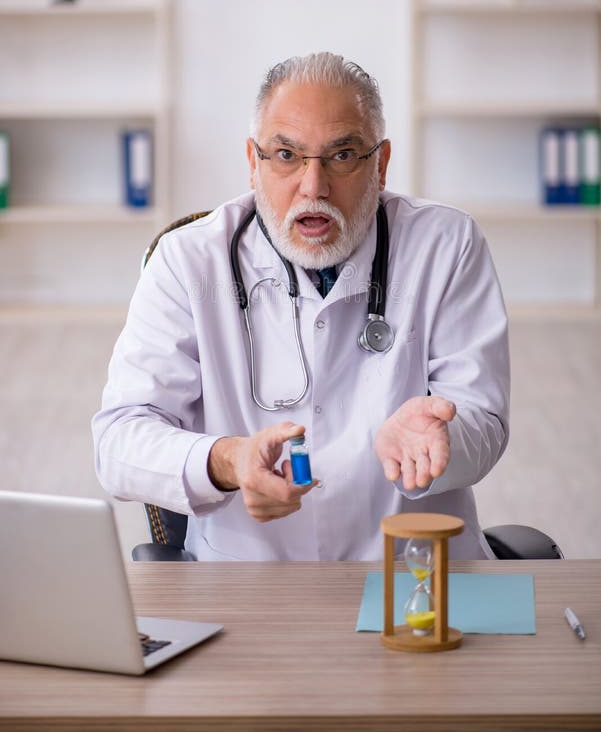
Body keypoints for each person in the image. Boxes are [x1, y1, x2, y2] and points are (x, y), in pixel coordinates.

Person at [93, 52, 509, 561]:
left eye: (342, 155)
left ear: (380, 164)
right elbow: (118, 443)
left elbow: (483, 419)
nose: (313, 187)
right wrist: (228, 460)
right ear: (253, 162)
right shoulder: (188, 260)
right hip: (248, 584)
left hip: (414, 577)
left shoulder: (446, 244)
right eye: (287, 155)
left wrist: (438, 440)